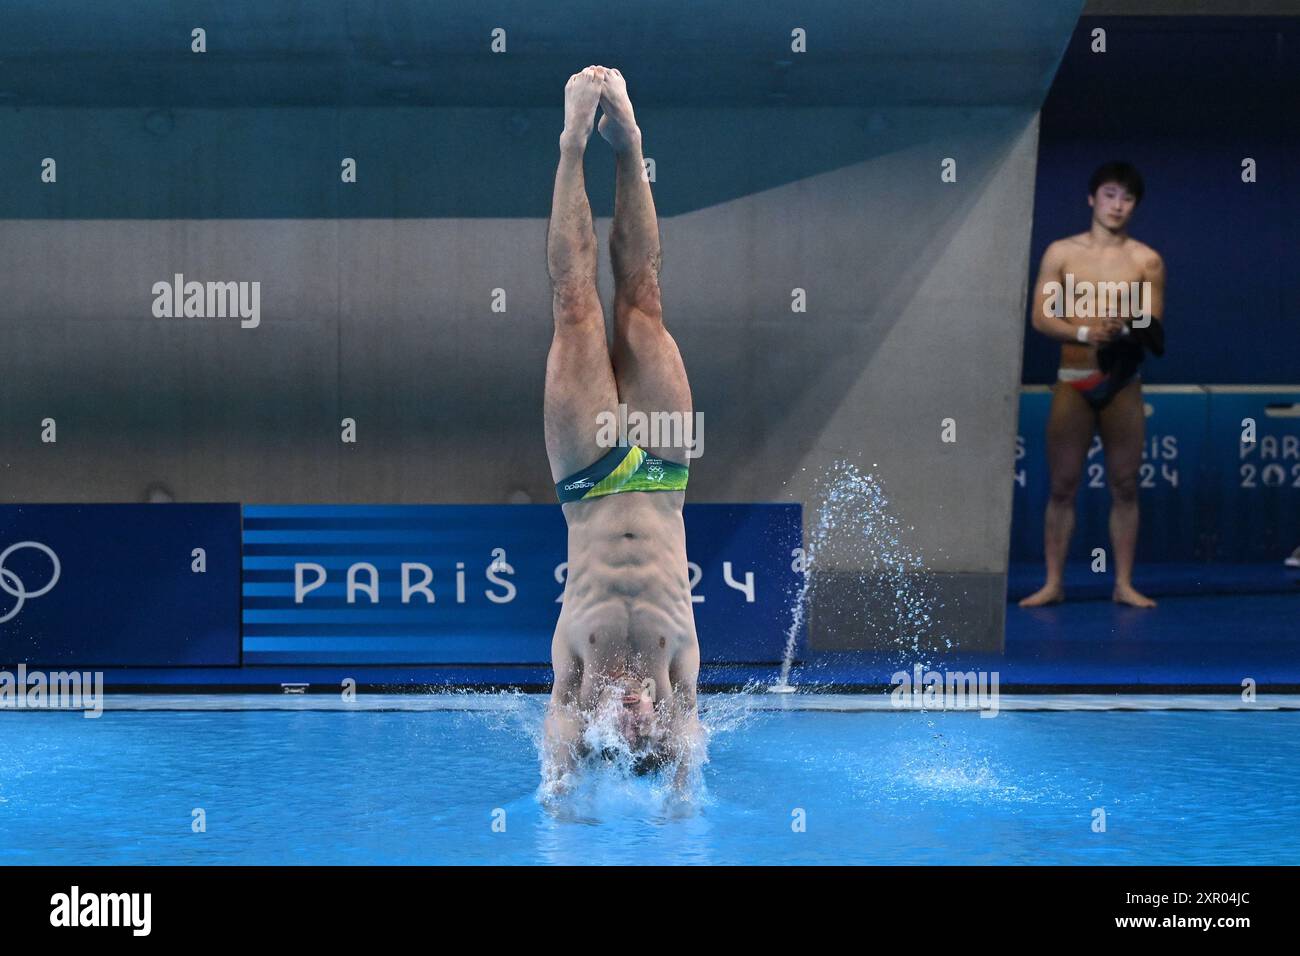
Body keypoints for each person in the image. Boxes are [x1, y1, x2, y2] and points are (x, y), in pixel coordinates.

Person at [540, 67, 704, 794]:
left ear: (606, 726)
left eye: (624, 728)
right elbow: (694, 748)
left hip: (588, 477)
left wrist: (561, 789)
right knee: (644, 301)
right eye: (650, 730)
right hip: (665, 471)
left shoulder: (579, 684)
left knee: (575, 307)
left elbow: (555, 733)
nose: (637, 715)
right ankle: (632, 146)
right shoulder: (678, 682)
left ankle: (572, 144)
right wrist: (679, 795)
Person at [1020, 161, 1165, 609]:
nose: (1117, 205)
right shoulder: (1061, 253)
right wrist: (1084, 333)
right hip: (1073, 377)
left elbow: (1154, 322)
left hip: (1121, 381)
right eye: (1109, 194)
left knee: (1124, 484)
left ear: (1135, 205)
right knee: (1063, 484)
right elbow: (1042, 316)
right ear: (1091, 198)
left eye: (1127, 198)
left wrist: (1125, 325)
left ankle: (1122, 582)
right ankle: (1053, 582)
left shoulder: (1146, 259)